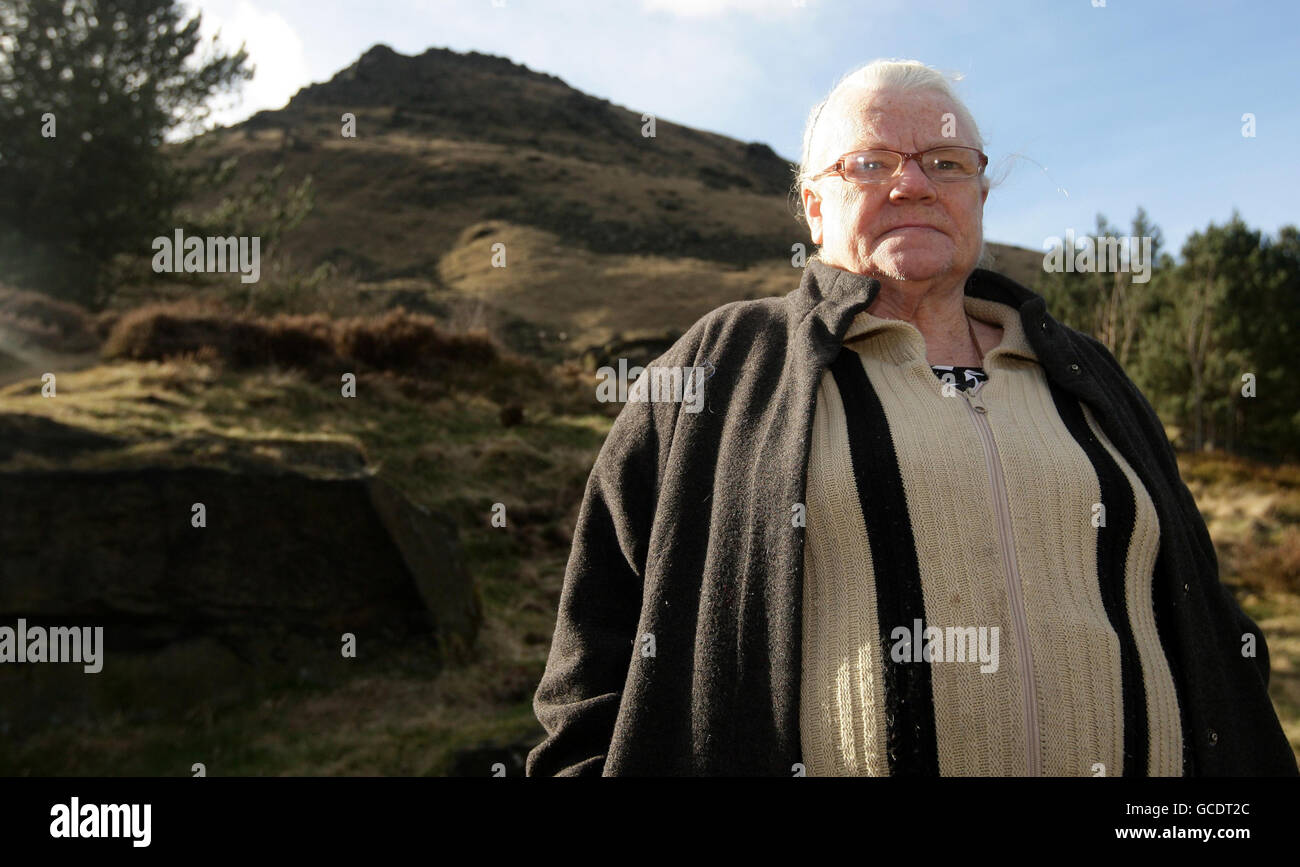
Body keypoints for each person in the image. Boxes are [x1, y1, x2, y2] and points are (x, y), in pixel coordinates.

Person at [525, 59, 1298, 776]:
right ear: (813, 208)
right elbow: (593, 666)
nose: (914, 185)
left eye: (947, 162)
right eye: (872, 163)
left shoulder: (1089, 375)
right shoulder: (720, 366)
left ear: (980, 198)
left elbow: (1211, 625)